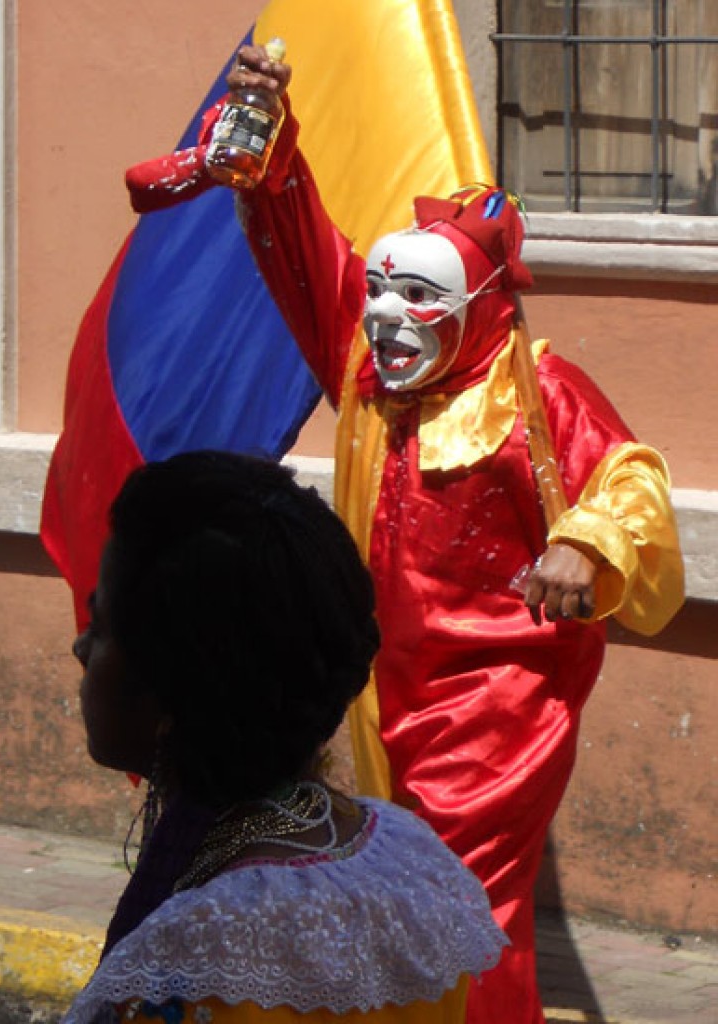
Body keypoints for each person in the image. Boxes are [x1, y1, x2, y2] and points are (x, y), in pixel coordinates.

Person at [123, 48, 685, 1024]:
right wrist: (269, 132)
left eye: (417, 298)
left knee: (466, 909)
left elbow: (626, 478)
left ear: (481, 310)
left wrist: (585, 544)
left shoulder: (533, 389)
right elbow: (306, 246)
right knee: (388, 903)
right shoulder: (370, 364)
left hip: (495, 707)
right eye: (380, 289)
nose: (385, 316)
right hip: (380, 691)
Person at [65, 450, 506, 1024]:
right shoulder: (408, 860)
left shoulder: (198, 949)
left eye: (100, 629)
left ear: (171, 688)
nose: (80, 650)